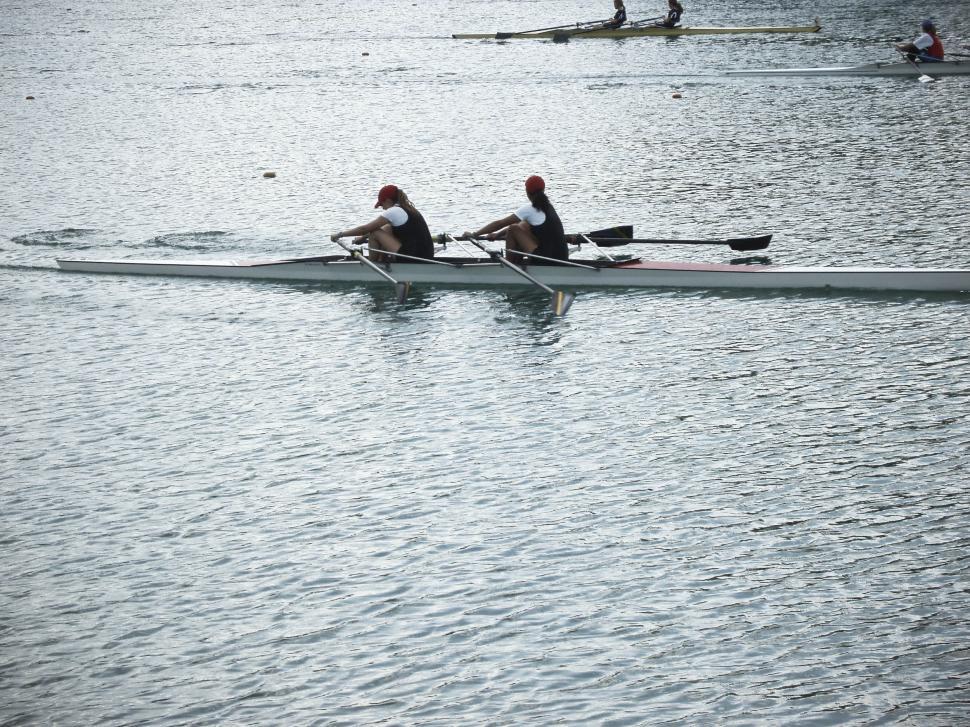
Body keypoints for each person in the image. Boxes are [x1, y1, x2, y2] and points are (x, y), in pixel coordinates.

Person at [463, 175, 568, 263]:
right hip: (562, 257)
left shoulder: (530, 209)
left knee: (513, 229)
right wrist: (498, 235)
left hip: (547, 260)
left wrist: (475, 234)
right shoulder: (548, 206)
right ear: (543, 190)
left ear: (527, 192)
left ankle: (510, 266)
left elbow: (500, 223)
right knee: (522, 225)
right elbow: (521, 224)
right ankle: (517, 261)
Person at [331, 184, 435, 262]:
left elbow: (364, 229)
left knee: (375, 233)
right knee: (387, 228)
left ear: (388, 200)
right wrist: (362, 238)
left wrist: (339, 234)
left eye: (382, 204)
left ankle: (372, 266)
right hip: (427, 255)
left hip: (414, 257)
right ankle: (384, 261)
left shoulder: (394, 211)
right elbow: (384, 228)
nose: (382, 207)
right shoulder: (408, 208)